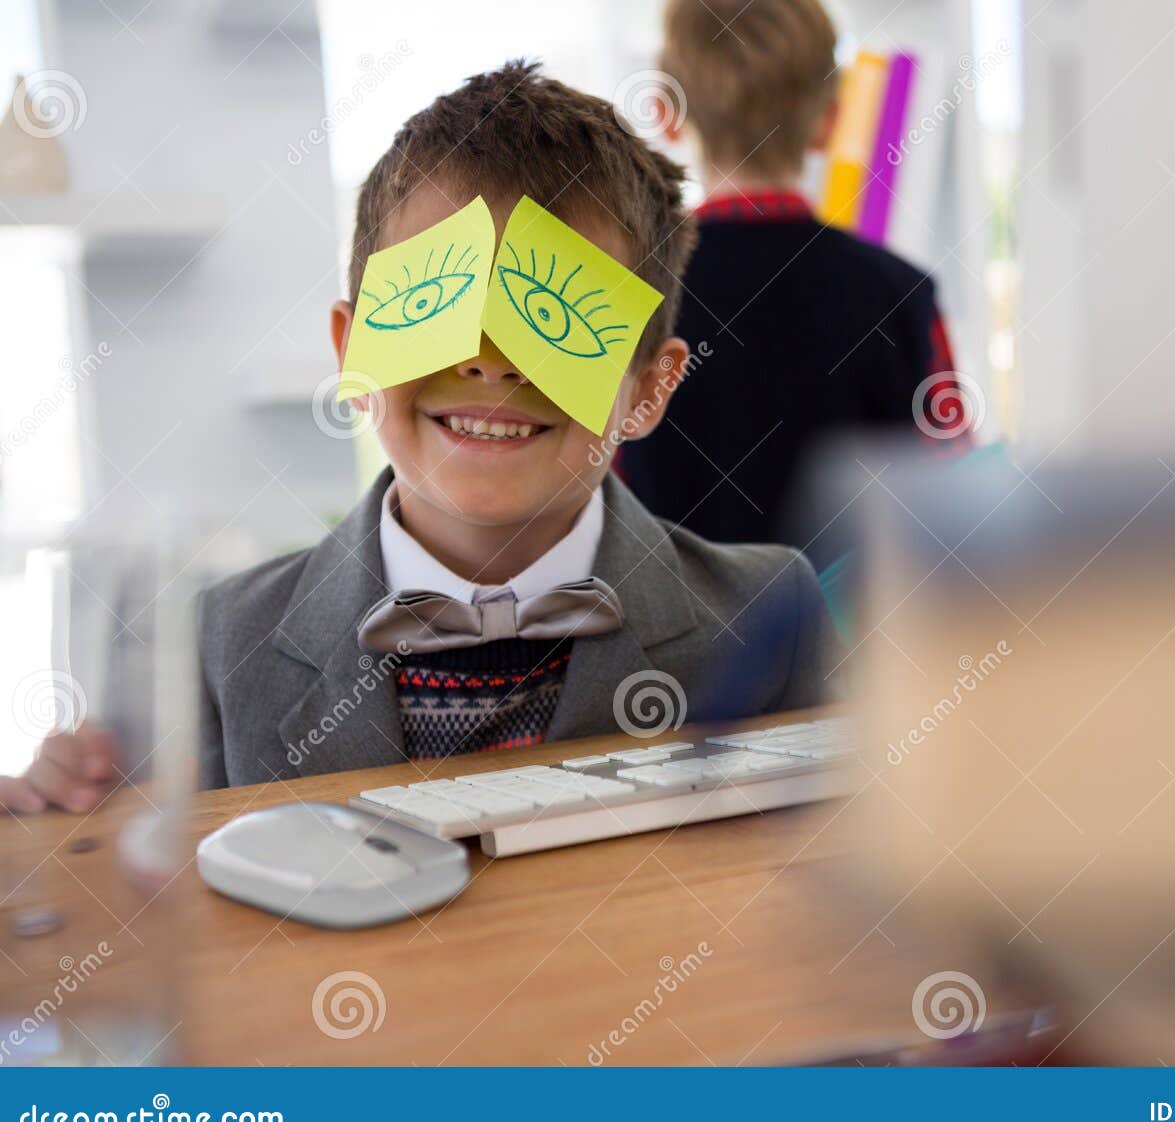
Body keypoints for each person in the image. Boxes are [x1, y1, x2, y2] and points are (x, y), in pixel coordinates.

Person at [2, 59, 834, 810]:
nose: (490, 364)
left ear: (651, 387)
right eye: (441, 305)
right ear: (353, 349)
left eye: (553, 318)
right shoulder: (217, 644)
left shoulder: (770, 619)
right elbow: (149, 917)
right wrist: (63, 819)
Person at [620, 0, 971, 564]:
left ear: (665, 115)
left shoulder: (628, 298)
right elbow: (950, 501)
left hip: (674, 646)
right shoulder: (902, 295)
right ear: (831, 122)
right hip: (859, 643)